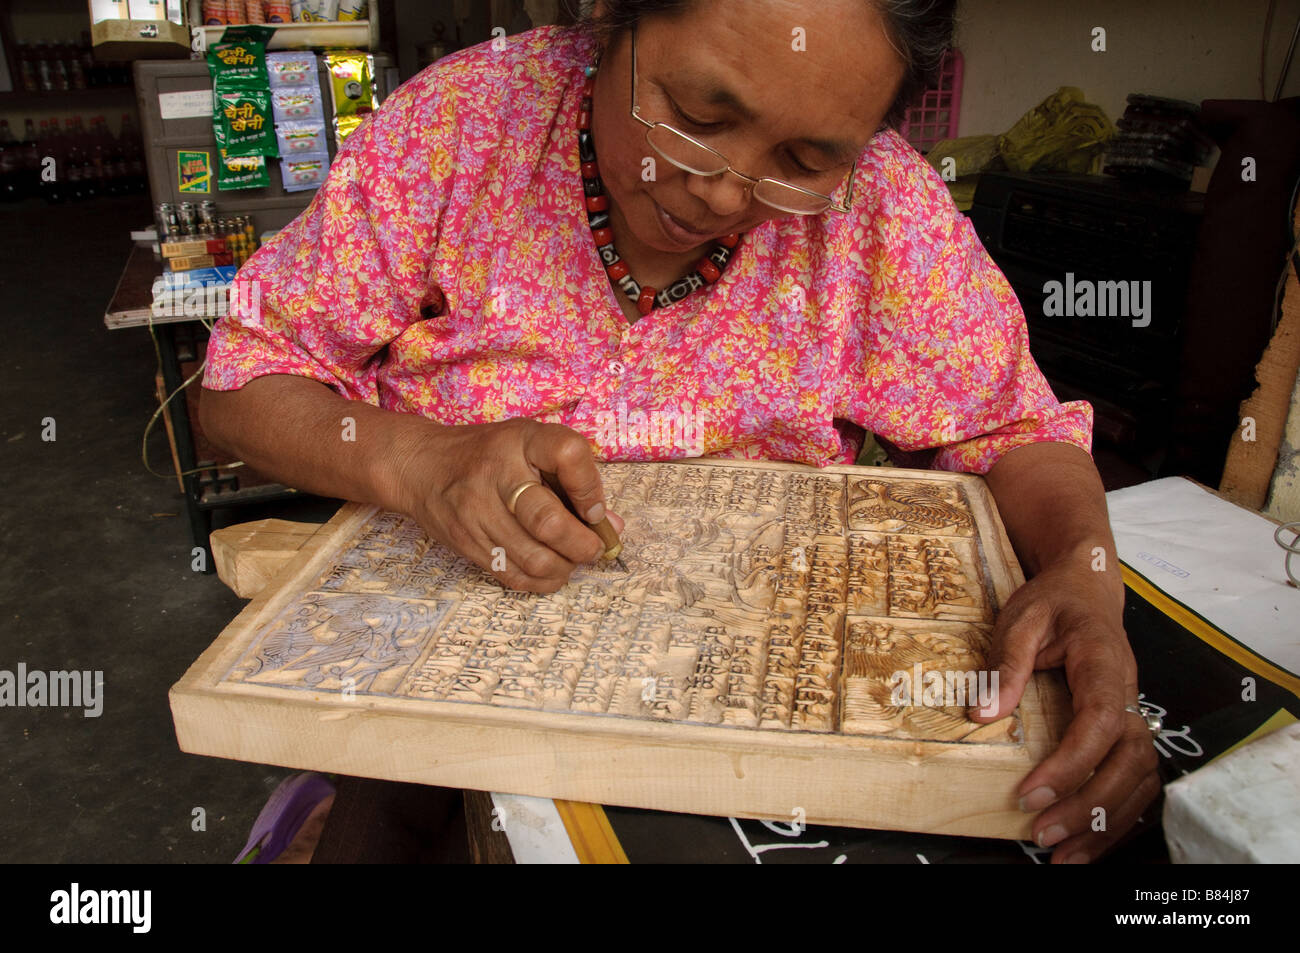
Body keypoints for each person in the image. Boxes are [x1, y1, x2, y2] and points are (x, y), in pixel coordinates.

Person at [200, 0, 1159, 863]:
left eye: (805, 160)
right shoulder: (462, 127)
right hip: (445, 689)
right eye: (700, 116)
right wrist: (423, 462)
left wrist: (1084, 571)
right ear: (609, 19)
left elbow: (1015, 427)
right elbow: (240, 378)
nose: (728, 193)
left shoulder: (882, 211)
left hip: (752, 704)